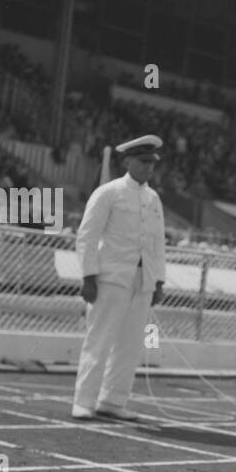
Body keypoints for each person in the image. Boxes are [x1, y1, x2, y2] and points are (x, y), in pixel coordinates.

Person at [71, 134, 167, 422]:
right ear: (127, 162)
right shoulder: (108, 193)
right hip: (110, 277)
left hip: (142, 280)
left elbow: (158, 243)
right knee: (99, 341)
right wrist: (88, 276)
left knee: (130, 345)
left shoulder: (153, 198)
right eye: (143, 162)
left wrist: (159, 280)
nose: (148, 168)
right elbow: (87, 237)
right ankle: (84, 400)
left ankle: (113, 400)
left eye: (151, 163)